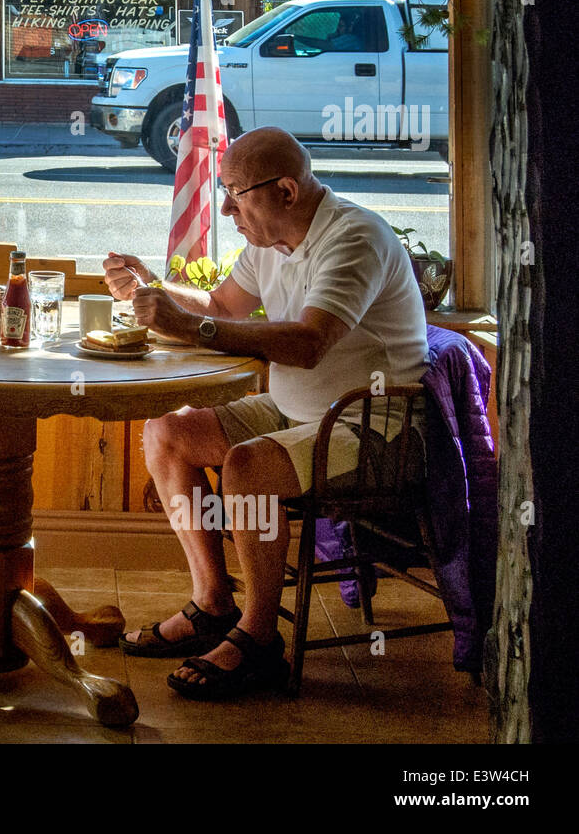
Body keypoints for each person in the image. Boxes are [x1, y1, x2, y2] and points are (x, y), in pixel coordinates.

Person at [102, 127, 427, 700]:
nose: (226, 207)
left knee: (247, 467)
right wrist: (158, 291)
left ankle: (258, 638)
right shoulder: (268, 239)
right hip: (296, 409)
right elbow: (224, 306)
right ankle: (212, 603)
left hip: (374, 425)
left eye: (235, 193)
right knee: (167, 433)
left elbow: (308, 343)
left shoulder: (354, 238)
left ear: (285, 191)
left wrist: (190, 326)